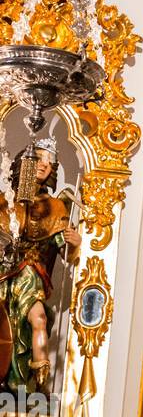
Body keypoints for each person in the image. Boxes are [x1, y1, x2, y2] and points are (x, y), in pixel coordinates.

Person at [0, 139, 79, 395]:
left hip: (32, 276)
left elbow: (66, 249)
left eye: (49, 161)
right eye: (39, 158)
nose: (44, 164)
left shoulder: (55, 207)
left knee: (38, 319)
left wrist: (74, 243)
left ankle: (36, 384)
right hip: (4, 277)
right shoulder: (4, 202)